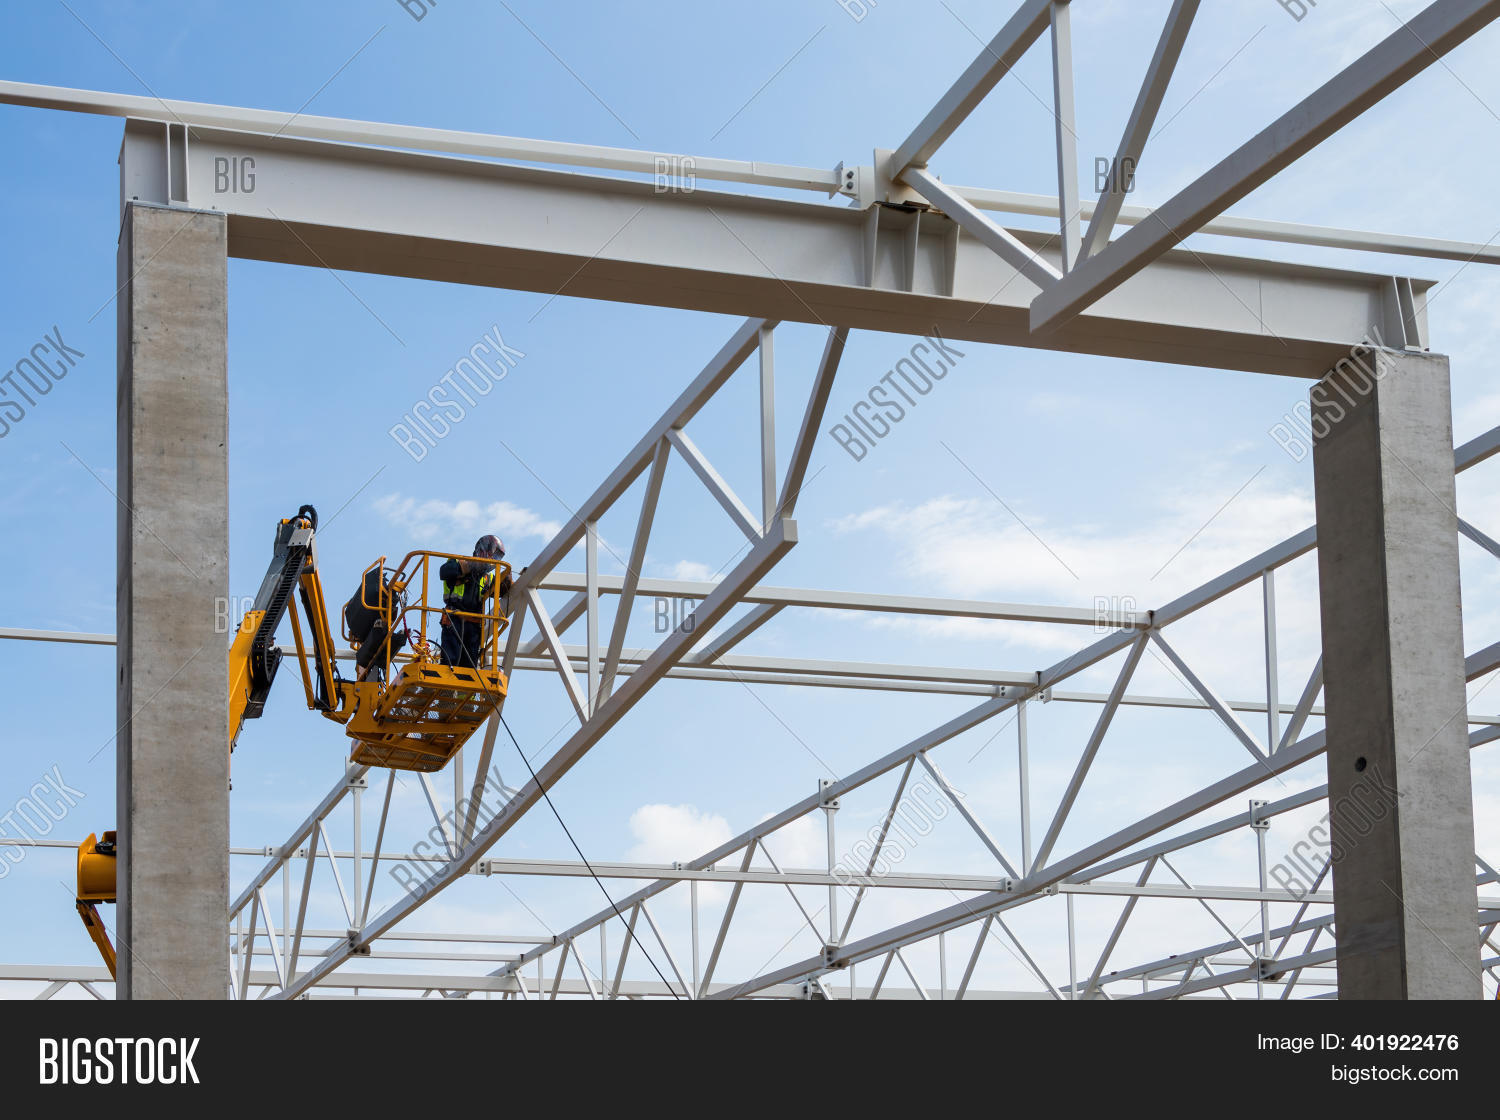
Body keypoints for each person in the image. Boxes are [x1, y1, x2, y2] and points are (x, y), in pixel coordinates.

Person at [439, 534, 511, 669]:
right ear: (482, 551)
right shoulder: (459, 562)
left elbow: (501, 590)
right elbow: (444, 572)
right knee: (450, 662)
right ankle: (446, 687)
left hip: (474, 623)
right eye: (493, 556)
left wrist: (506, 580)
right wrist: (469, 566)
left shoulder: (487, 577)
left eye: (497, 558)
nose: (493, 561)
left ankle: (463, 687)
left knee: (470, 666)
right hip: (454, 619)